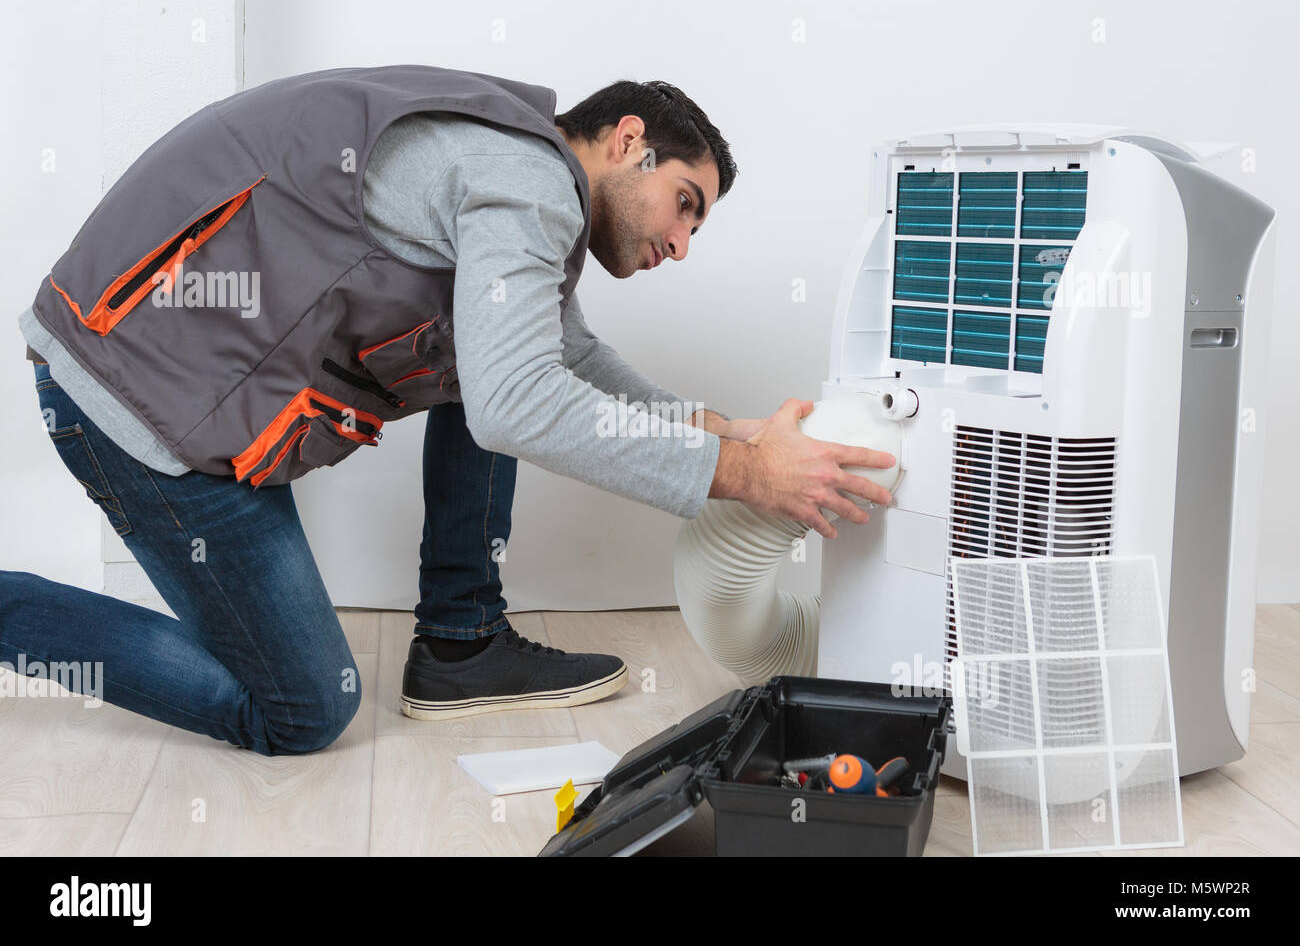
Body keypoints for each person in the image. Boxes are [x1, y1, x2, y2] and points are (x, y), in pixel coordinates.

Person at [1, 65, 894, 755]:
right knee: (306, 712)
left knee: (505, 358)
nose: (682, 243)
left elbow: (565, 358)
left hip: (196, 395)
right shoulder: (528, 182)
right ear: (629, 142)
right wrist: (743, 476)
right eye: (685, 205)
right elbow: (516, 406)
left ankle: (460, 646)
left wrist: (724, 431)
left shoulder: (511, 167)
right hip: (137, 407)